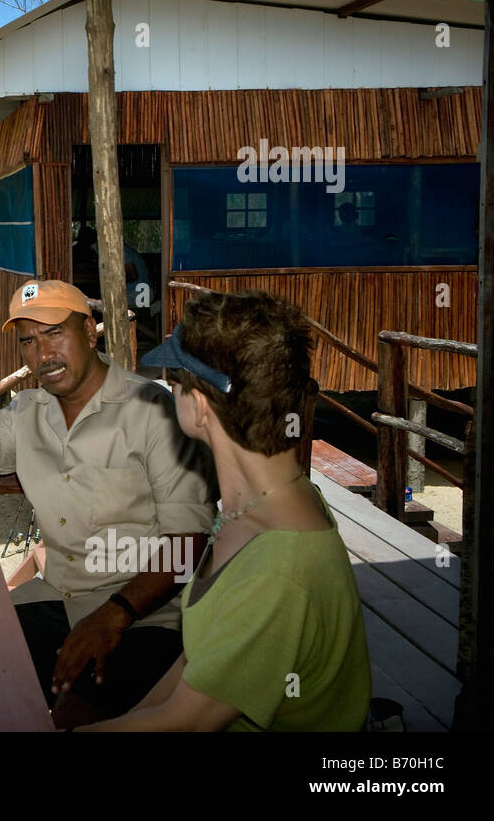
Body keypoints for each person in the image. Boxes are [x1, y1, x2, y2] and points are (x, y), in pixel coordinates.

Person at [0, 279, 215, 728]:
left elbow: (188, 543)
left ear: (89, 330)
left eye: (54, 332)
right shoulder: (27, 414)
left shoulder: (152, 410)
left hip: (145, 614)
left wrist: (115, 614)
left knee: (75, 718)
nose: (43, 354)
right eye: (28, 341)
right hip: (57, 596)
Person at [81, 289, 371, 731]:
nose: (169, 387)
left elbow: (184, 724)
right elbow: (201, 661)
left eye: (173, 381)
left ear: (199, 406)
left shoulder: (277, 568)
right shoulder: (263, 503)